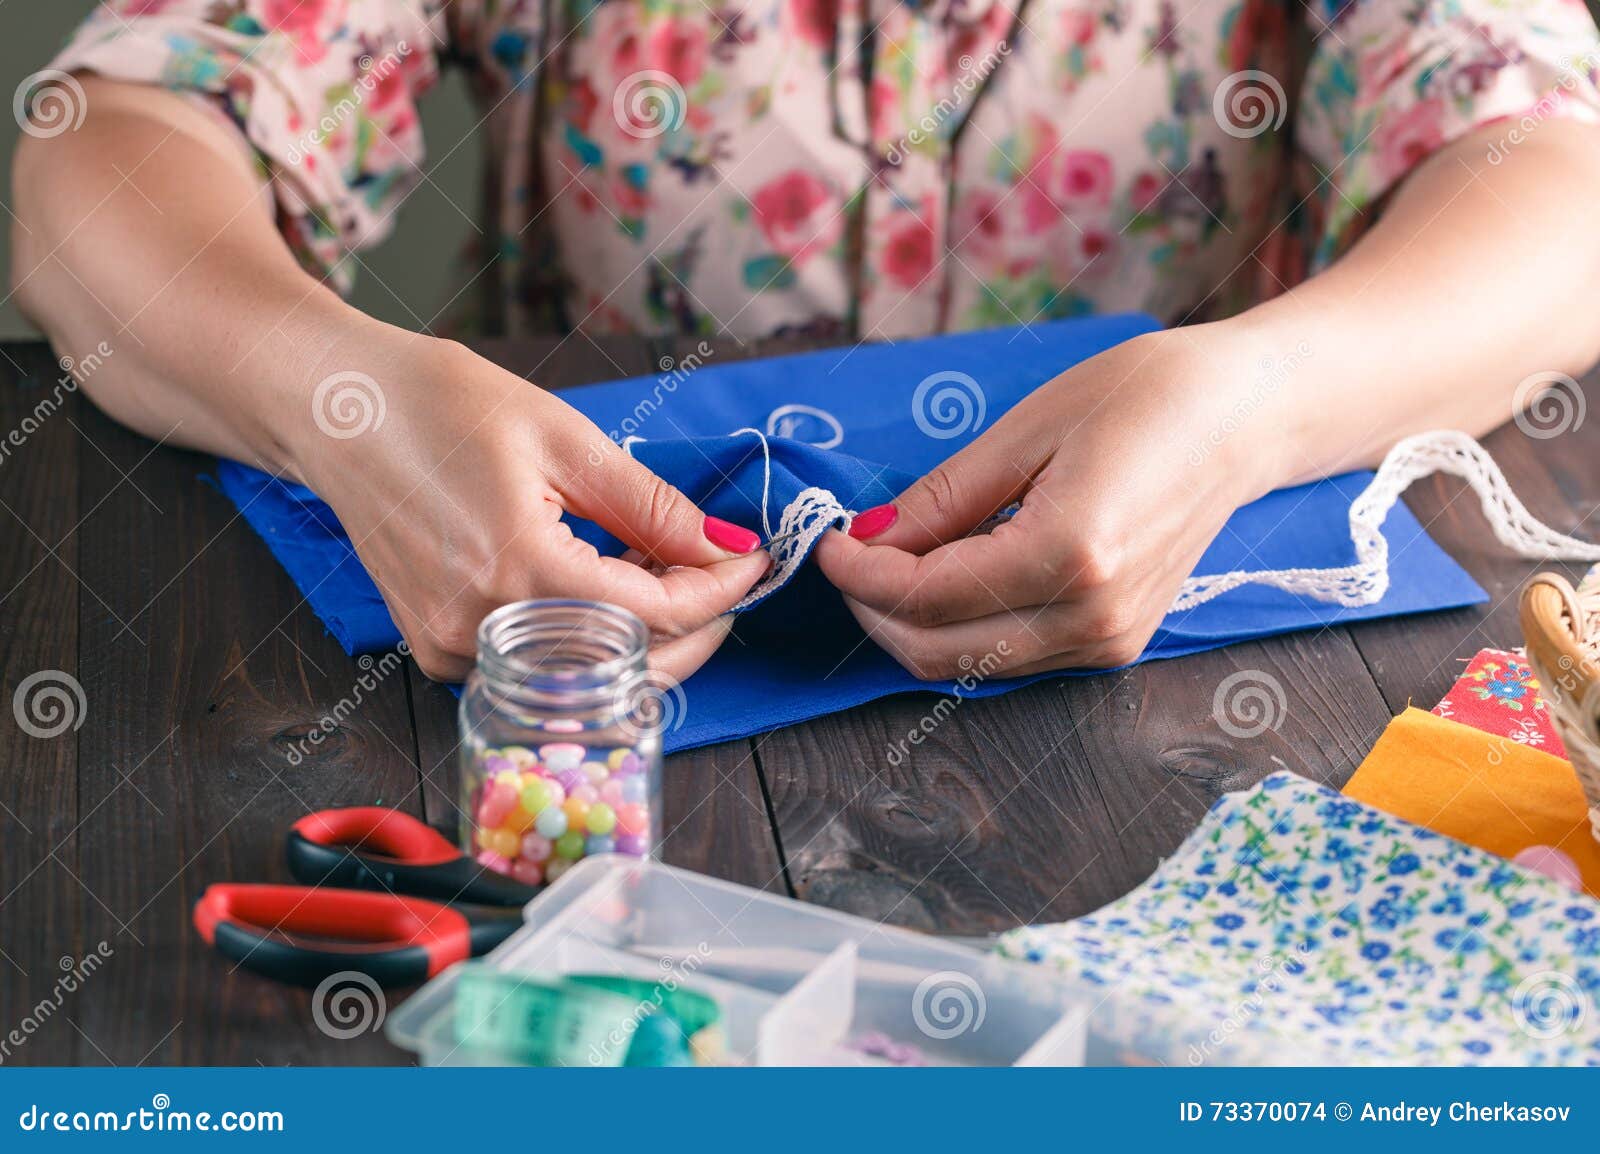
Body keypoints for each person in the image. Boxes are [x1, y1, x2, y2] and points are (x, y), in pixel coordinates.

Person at [14, 0, 1600, 684]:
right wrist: (341, 403)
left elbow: (1561, 188)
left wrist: (1248, 400)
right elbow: (107, 150)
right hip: (592, 680)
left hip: (1192, 689)